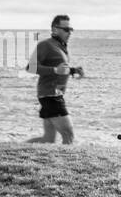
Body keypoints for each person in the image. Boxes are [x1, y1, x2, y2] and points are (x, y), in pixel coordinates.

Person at [25, 14, 83, 144]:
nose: (70, 33)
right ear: (55, 29)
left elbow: (59, 67)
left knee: (48, 139)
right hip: (50, 96)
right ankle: (68, 164)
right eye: (66, 29)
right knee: (69, 135)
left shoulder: (60, 47)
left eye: (71, 29)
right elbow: (30, 67)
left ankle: (16, 150)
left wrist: (73, 70)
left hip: (53, 95)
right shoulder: (46, 45)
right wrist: (55, 70)